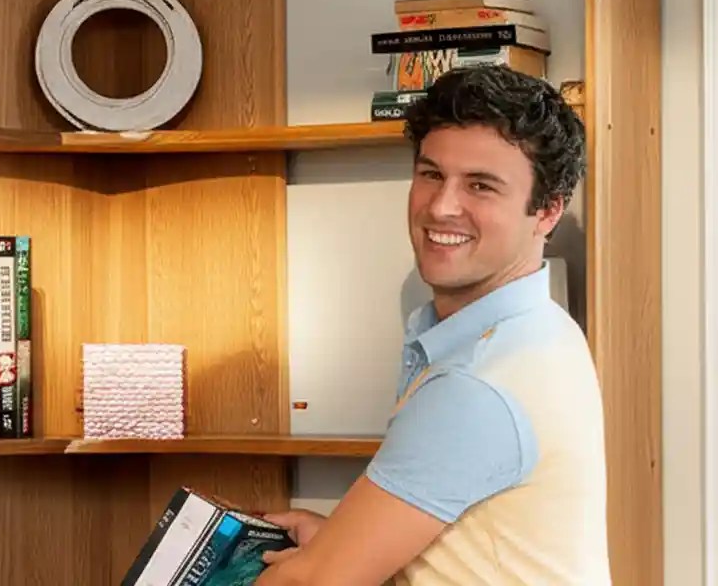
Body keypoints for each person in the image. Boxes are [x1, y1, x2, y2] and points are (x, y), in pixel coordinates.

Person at [254, 65, 609, 585]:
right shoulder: (544, 329)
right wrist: (342, 542)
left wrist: (322, 564)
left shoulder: (476, 381)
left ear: (548, 211)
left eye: (481, 186)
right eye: (431, 175)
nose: (441, 207)